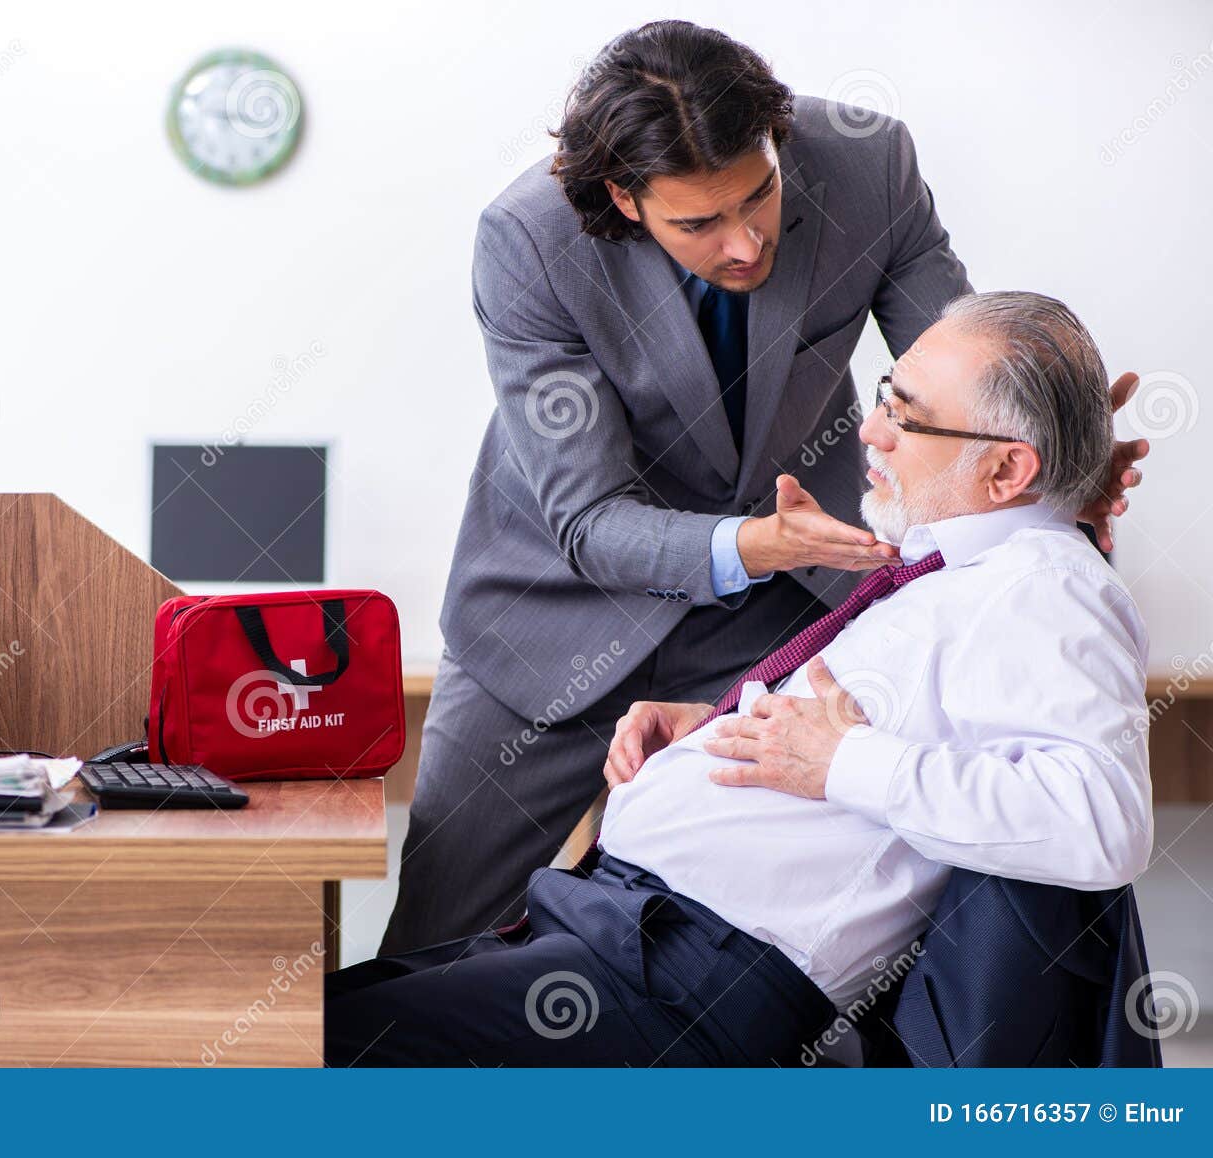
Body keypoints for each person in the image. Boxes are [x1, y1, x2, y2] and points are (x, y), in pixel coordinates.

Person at [381, 18, 1148, 955]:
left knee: (767, 964)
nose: (746, 245)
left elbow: (964, 388)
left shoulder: (871, 169)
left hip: (777, 622)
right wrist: (752, 544)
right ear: (624, 199)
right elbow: (586, 520)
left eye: (759, 199)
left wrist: (1060, 462)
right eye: (699, 224)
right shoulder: (528, 241)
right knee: (431, 947)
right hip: (556, 619)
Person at [329, 291, 1151, 1066]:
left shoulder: (1048, 585)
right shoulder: (948, 566)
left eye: (907, 417)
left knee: (297, 1047)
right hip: (617, 931)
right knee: (302, 1018)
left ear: (1007, 473)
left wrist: (841, 764)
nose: (870, 432)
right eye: (883, 395)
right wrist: (716, 727)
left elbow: (1103, 822)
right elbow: (874, 725)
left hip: (681, 982)